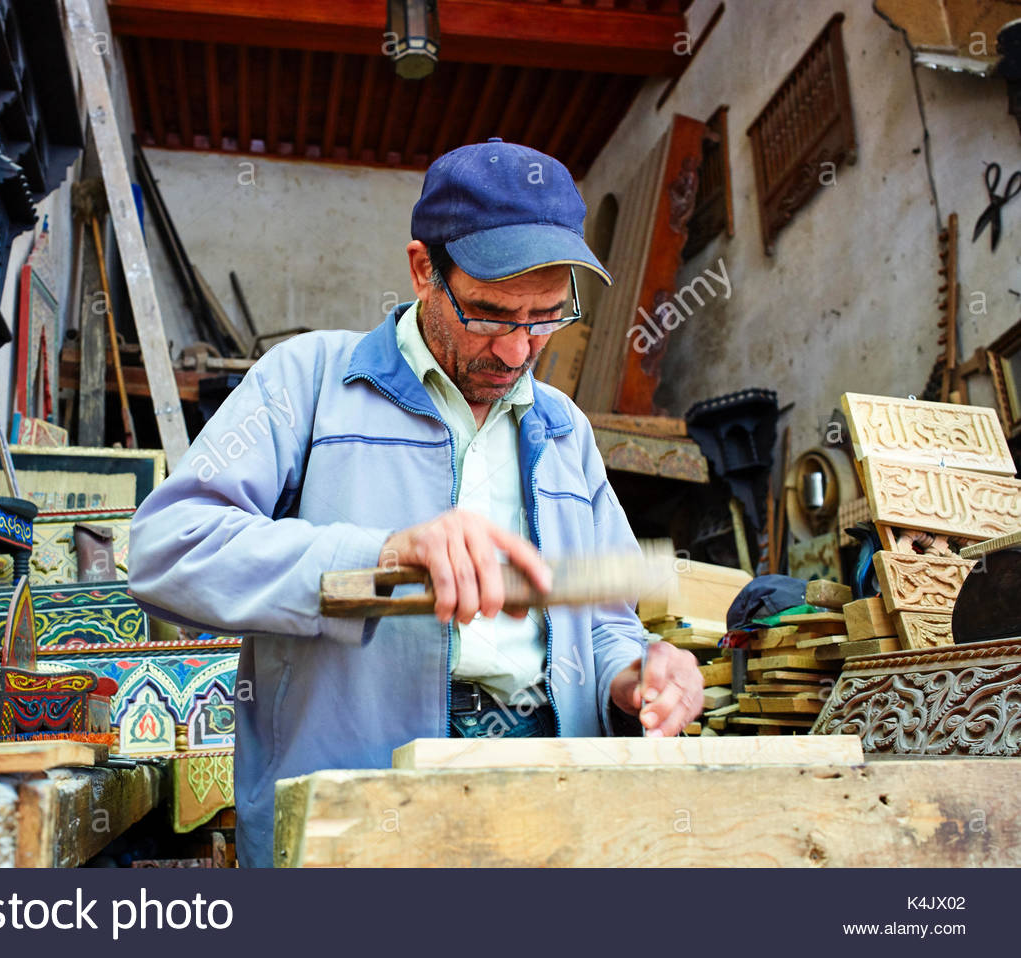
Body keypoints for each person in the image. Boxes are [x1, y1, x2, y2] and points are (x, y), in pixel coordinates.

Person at [128, 139, 704, 868]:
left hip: (546, 785)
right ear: (423, 269)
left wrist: (636, 678)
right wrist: (378, 556)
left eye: (547, 318)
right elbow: (165, 550)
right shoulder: (308, 382)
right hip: (355, 784)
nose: (518, 352)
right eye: (492, 315)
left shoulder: (565, 430)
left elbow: (604, 625)